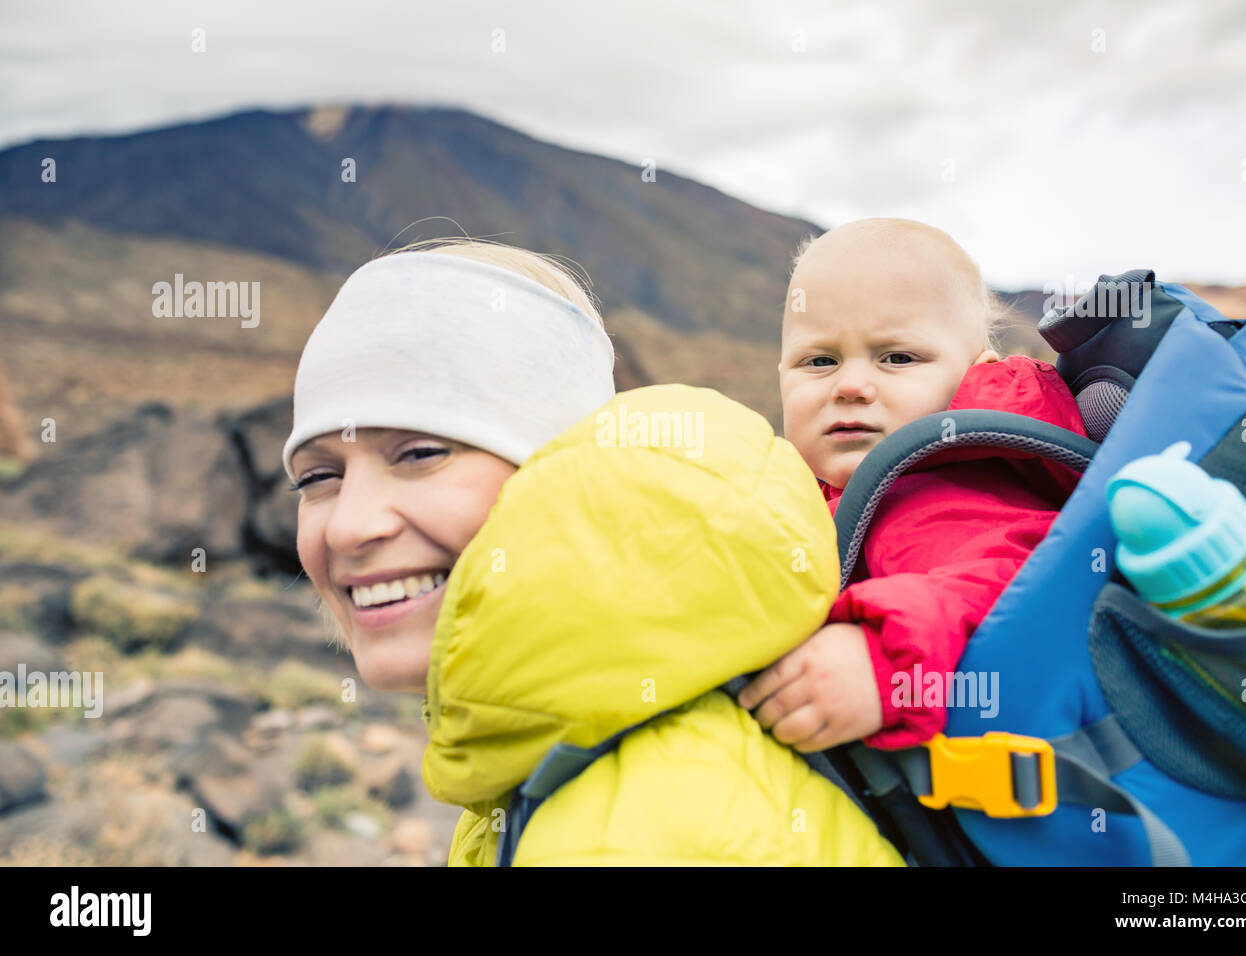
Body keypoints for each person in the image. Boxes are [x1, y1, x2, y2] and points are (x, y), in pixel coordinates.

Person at [283, 239, 904, 866]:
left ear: (566, 472)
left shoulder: (638, 824)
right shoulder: (575, 755)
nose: (349, 528)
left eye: (420, 454)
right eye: (317, 478)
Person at [740, 218, 1088, 752]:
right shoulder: (805, 496)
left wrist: (884, 657)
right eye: (820, 361)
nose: (851, 385)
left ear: (973, 374)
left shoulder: (953, 488)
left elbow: (1022, 581)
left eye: (897, 358)